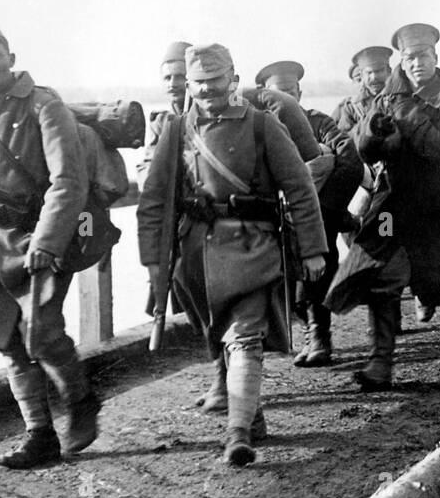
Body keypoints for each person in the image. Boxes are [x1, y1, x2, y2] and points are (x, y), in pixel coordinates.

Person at [137, 44, 328, 466]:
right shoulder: (175, 130)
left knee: (244, 338)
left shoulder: (261, 125)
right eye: (198, 82)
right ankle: (250, 414)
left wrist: (313, 248)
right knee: (220, 336)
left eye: (215, 80)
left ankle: (237, 433)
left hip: (252, 246)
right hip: (196, 256)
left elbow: (299, 187)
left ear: (233, 80)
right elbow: (153, 200)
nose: (206, 89)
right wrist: (153, 261)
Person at [0, 19, 101, 469]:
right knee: (7, 340)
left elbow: (69, 181)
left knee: (42, 332)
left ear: (11, 58)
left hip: (40, 237)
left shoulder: (44, 105)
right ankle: (40, 435)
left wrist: (47, 241)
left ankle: (81, 401)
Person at [326, 23, 440, 387]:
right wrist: (373, 132)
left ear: (435, 57)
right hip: (394, 203)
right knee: (381, 273)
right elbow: (365, 153)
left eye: (424, 56)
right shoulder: (385, 99)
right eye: (410, 58)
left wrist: (404, 110)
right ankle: (381, 362)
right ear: (403, 62)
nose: (417, 63)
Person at [255, 59, 363, 367]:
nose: (285, 99)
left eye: (290, 91)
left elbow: (350, 160)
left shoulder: (318, 123)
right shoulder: (255, 128)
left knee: (316, 269)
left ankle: (318, 336)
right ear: (265, 95)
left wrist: (325, 209)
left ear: (300, 93)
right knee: (276, 274)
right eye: (278, 93)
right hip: (272, 216)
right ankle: (295, 331)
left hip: (315, 213)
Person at [136, 40, 191, 185]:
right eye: (167, 78)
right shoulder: (161, 121)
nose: (172, 84)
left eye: (180, 76)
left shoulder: (210, 116)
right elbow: (149, 162)